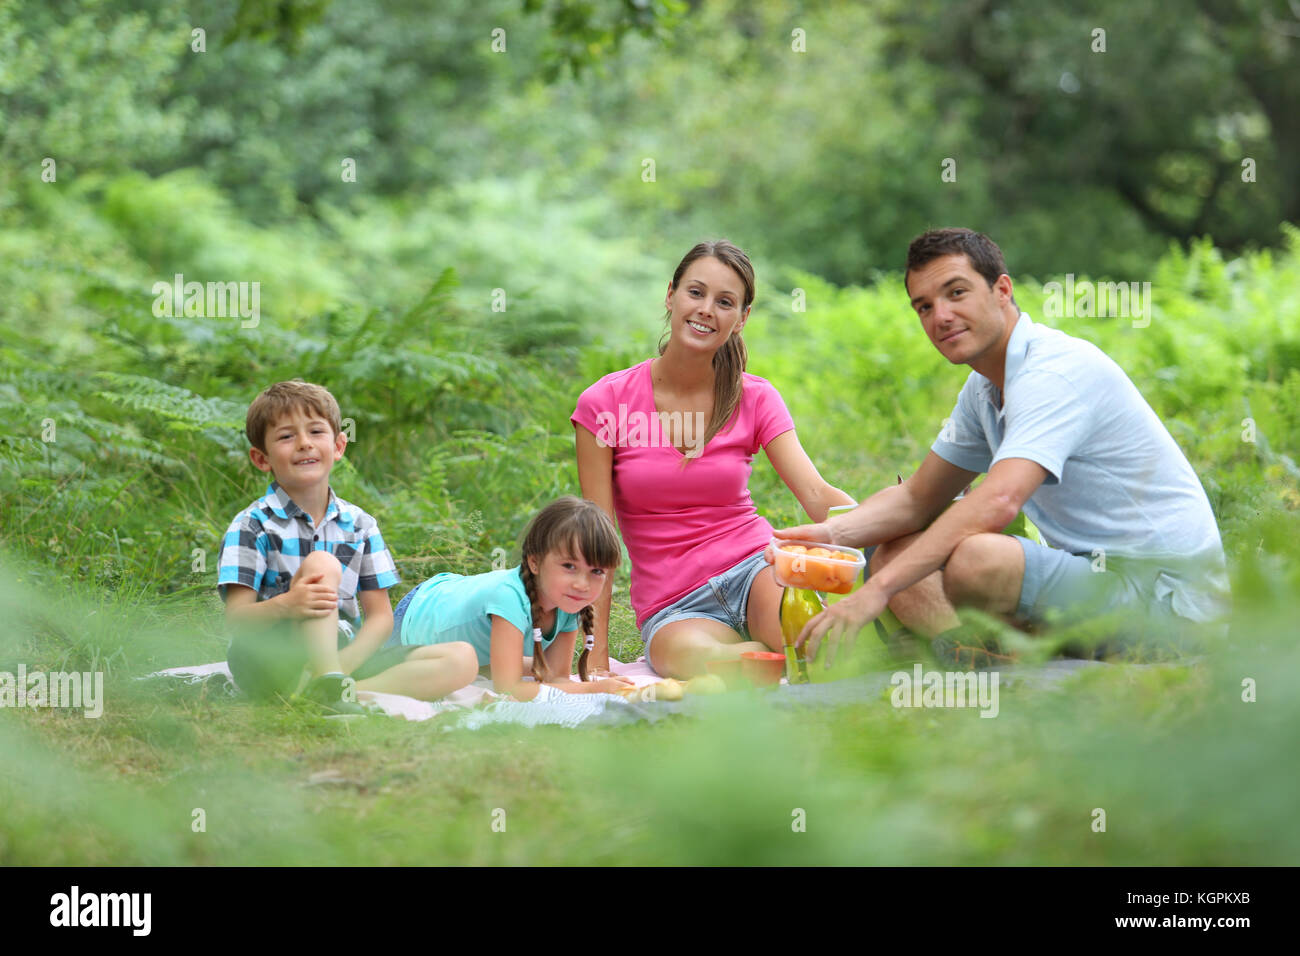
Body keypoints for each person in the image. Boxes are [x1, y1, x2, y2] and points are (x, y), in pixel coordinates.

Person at [774, 228, 1230, 666]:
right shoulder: (984, 388)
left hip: (1171, 600)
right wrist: (832, 537)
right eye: (924, 306)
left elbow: (1000, 500)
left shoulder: (1053, 373)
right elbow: (916, 498)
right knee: (891, 549)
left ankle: (1031, 650)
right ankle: (987, 657)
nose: (941, 316)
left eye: (956, 293)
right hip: (1090, 578)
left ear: (1002, 290)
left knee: (977, 560)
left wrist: (877, 592)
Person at [572, 240, 855, 679]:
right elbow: (598, 540)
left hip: (757, 570)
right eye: (695, 292)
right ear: (671, 295)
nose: (707, 309)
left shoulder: (756, 397)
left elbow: (817, 494)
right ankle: (766, 662)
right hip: (675, 607)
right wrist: (596, 651)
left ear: (741, 319)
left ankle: (786, 655)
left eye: (725, 302)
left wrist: (895, 535)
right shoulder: (605, 403)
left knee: (810, 642)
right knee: (705, 663)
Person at [219, 381, 478, 715]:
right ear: (261, 458)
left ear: (339, 445)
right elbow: (238, 620)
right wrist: (288, 605)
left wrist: (346, 663)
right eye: (286, 436)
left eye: (316, 432)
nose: (304, 444)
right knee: (323, 563)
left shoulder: (360, 524)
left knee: (462, 659)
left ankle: (332, 688)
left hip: (343, 652)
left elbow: (381, 617)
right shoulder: (251, 525)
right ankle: (326, 681)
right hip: (270, 656)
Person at [375, 496, 635, 700]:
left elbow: (556, 678)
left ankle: (488, 666)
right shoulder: (508, 597)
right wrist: (594, 690)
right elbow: (509, 691)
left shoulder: (567, 602)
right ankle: (356, 686)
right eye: (569, 566)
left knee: (517, 666)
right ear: (534, 562)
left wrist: (592, 686)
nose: (582, 584)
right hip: (416, 618)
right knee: (462, 669)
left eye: (596, 571)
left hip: (453, 603)